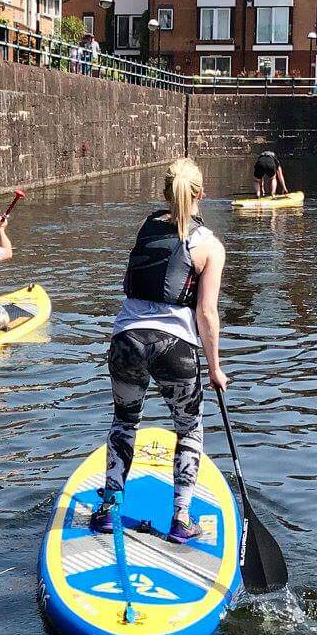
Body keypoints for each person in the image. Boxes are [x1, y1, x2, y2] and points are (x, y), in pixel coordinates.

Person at [92, 158, 228, 546]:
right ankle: (181, 519)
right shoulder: (209, 246)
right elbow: (206, 313)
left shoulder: (147, 225)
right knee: (188, 429)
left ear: (164, 194)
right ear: (202, 194)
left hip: (126, 341)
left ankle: (109, 509)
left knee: (124, 422)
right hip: (174, 348)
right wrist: (215, 368)